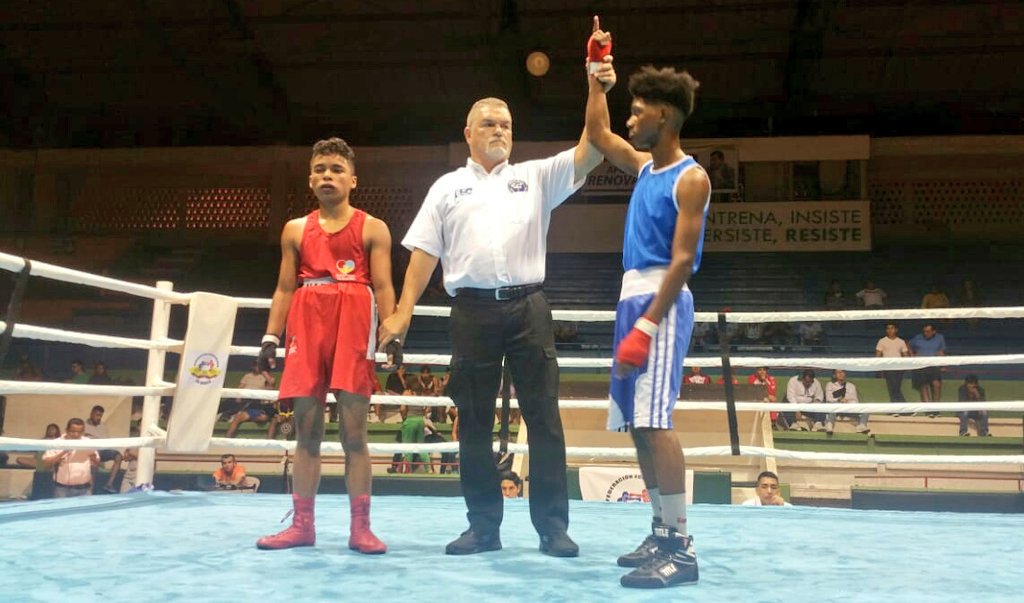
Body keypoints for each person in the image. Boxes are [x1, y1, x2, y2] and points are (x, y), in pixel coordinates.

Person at [377, 24, 608, 559]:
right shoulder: (445, 187)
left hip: (529, 307)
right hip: (471, 312)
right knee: (474, 424)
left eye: (506, 123)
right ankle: (483, 526)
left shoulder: (536, 176)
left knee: (545, 420)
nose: (499, 129)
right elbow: (423, 255)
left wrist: (596, 82)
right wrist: (403, 313)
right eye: (489, 122)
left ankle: (553, 527)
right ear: (468, 131)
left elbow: (594, 148)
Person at [584, 19, 706, 588]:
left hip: (662, 299)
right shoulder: (643, 166)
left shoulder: (690, 177)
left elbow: (682, 260)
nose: (631, 120)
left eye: (639, 111)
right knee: (636, 423)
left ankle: (681, 549)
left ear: (666, 115)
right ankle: (660, 529)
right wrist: (596, 80)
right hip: (630, 295)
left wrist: (648, 325)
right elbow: (599, 136)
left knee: (656, 422)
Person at [255, 137, 396, 555]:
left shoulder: (373, 227)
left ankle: (361, 528)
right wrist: (269, 335)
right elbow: (283, 287)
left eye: (336, 169)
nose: (327, 175)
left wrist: (392, 333)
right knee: (307, 432)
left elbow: (385, 285)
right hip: (307, 320)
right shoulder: (295, 229)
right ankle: (302, 525)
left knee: (355, 434)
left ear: (353, 179)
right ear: (309, 179)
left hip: (354, 321)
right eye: (320, 169)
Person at [42, 418, 100, 497]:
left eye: (79, 432)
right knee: (61, 509)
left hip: (84, 489)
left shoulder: (88, 442)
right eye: (73, 431)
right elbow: (45, 464)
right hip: (62, 489)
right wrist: (63, 453)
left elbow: (97, 463)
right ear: (67, 430)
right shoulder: (56, 443)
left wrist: (93, 458)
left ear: (83, 432)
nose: (76, 434)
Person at [84, 405, 123, 493]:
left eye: (100, 416)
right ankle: (90, 489)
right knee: (94, 463)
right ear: (91, 414)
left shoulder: (103, 426)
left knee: (118, 456)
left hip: (104, 450)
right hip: (91, 451)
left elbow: (106, 440)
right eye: (96, 415)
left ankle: (109, 484)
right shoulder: (84, 425)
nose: (98, 417)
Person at [908, 323, 947, 412]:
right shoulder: (918, 337)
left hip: (934, 365)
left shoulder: (939, 338)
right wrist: (912, 355)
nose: (926, 333)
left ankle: (935, 409)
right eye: (924, 331)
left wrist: (944, 365)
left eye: (928, 331)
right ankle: (928, 409)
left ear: (934, 331)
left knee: (936, 385)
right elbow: (908, 345)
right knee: (923, 386)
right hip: (920, 365)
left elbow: (941, 351)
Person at [824, 369, 869, 435]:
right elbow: (828, 399)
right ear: (834, 375)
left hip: (848, 408)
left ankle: (861, 426)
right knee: (832, 406)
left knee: (866, 408)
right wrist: (839, 400)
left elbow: (855, 401)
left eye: (842, 372)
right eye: (838, 372)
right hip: (836, 408)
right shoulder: (830, 385)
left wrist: (847, 402)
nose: (841, 374)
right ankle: (829, 425)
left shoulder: (851, 386)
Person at [875, 322, 910, 406]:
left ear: (896, 330)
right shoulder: (882, 341)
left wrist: (906, 366)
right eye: (888, 328)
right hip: (888, 367)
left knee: (895, 388)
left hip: (899, 368)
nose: (890, 330)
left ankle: (900, 409)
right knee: (893, 388)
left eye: (892, 328)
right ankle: (902, 409)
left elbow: (905, 355)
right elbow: (878, 355)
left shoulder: (901, 341)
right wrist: (879, 367)